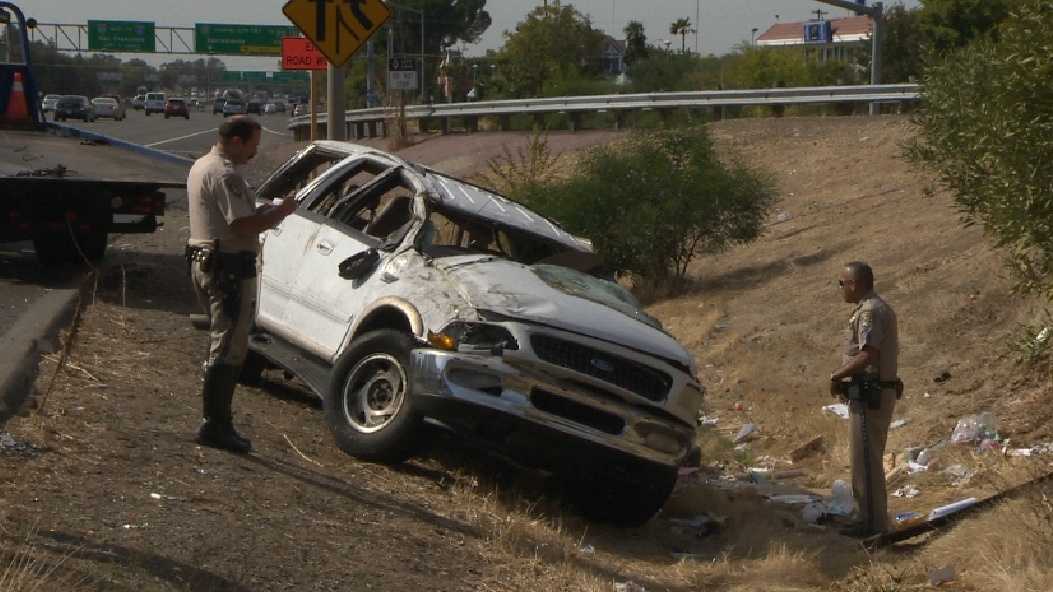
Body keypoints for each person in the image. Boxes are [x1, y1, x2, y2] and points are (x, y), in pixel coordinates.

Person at [186, 117, 297, 453]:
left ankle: (216, 421)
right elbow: (243, 224)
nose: (255, 151)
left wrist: (265, 209)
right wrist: (282, 213)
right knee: (229, 345)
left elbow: (230, 215)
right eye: (252, 144)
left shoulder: (203, 166)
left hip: (207, 261)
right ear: (236, 141)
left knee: (223, 341)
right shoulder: (226, 174)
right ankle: (215, 424)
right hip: (228, 268)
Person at [829, 261, 900, 537]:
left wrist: (837, 376)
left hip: (872, 394)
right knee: (863, 461)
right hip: (870, 392)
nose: (841, 289)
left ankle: (871, 525)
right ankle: (867, 518)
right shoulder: (873, 308)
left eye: (842, 283)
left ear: (854, 284)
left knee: (867, 464)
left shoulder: (870, 311)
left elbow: (867, 354)